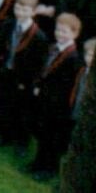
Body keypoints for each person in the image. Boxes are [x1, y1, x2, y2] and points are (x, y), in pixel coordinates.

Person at [0, 0, 46, 147]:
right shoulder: (9, 24)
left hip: (23, 79)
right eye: (17, 8)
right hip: (6, 71)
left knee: (20, 109)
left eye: (25, 9)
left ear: (34, 12)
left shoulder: (38, 36)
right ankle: (4, 134)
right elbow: (0, 45)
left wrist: (28, 81)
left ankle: (21, 139)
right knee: (3, 103)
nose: (20, 12)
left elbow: (38, 63)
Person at [30, 14, 84, 176]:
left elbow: (68, 86)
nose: (60, 34)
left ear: (75, 34)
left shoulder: (74, 58)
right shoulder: (53, 48)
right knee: (42, 133)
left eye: (65, 32)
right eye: (58, 30)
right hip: (46, 100)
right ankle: (38, 163)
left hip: (58, 105)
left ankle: (49, 169)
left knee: (52, 138)